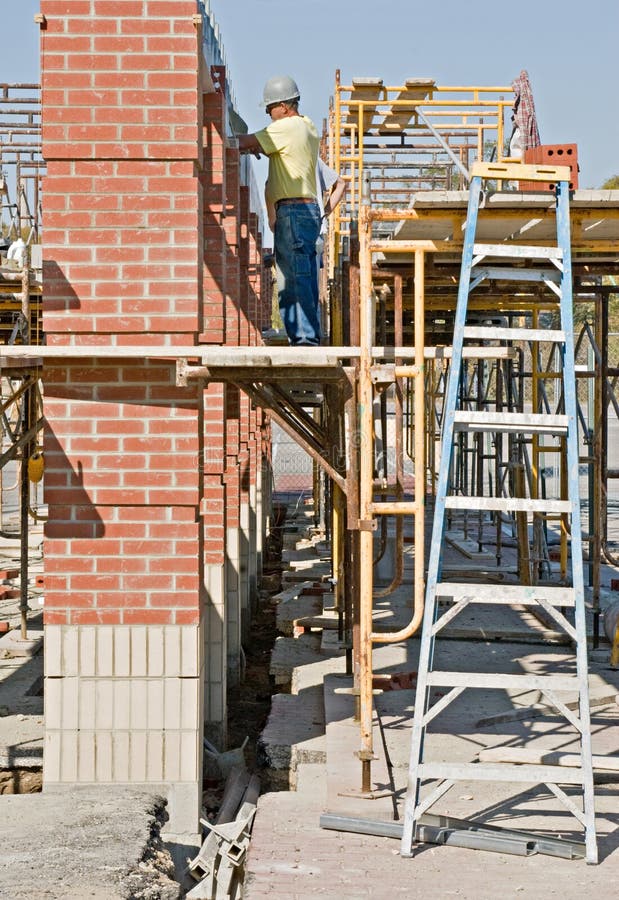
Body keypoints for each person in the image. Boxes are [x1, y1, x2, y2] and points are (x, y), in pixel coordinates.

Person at [238, 76, 322, 346]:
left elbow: (243, 141)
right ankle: (307, 338)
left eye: (270, 108)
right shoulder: (306, 126)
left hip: (294, 212)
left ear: (285, 107)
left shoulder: (287, 127)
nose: (268, 114)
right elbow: (273, 148)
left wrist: (231, 141)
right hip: (305, 211)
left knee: (293, 280)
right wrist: (260, 147)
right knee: (303, 276)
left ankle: (305, 342)